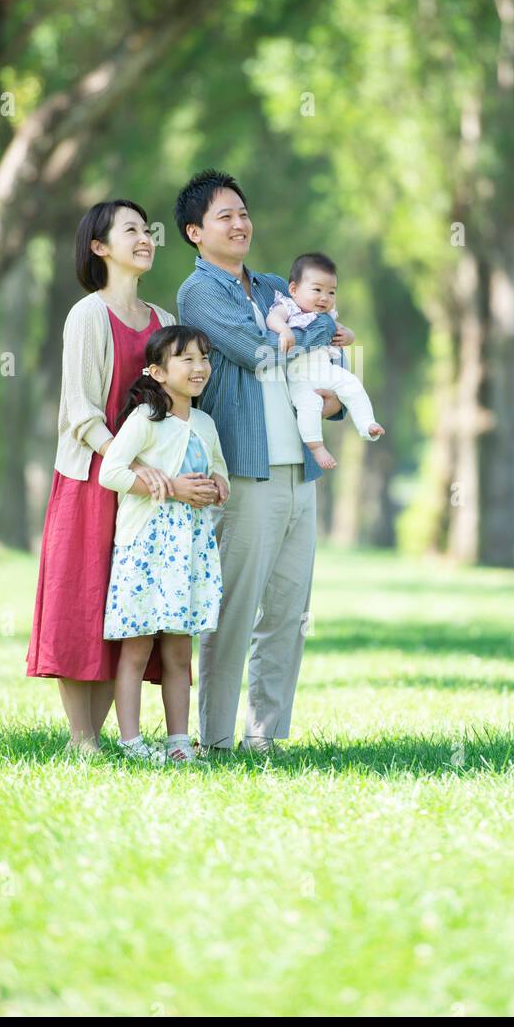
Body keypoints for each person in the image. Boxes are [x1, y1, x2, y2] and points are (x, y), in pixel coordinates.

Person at [175, 168, 351, 753]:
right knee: (232, 612)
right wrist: (324, 327)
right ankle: (218, 739)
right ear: (194, 232)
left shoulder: (276, 286)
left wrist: (333, 399)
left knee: (287, 614)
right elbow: (256, 354)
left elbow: (333, 367)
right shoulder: (198, 292)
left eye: (243, 213)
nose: (239, 223)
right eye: (224, 216)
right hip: (244, 471)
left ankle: (266, 738)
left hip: (300, 470)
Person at [26, 199, 181, 754]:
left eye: (147, 230)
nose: (145, 238)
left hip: (148, 487)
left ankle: (103, 735)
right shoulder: (87, 316)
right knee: (82, 597)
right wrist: (126, 465)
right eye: (130, 231)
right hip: (92, 478)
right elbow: (81, 411)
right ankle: (82, 738)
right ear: (100, 247)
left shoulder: (164, 321)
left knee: (128, 603)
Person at [99, 325, 229, 765]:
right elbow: (110, 472)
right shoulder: (146, 421)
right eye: (186, 359)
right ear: (156, 371)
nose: (199, 367)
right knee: (137, 648)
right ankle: (131, 742)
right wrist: (169, 486)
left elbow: (218, 469)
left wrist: (218, 485)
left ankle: (178, 741)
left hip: (189, 551)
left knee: (178, 650)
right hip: (147, 549)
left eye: (203, 358)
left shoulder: (206, 423)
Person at [266, 250, 384, 470]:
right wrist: (284, 330)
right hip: (298, 376)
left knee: (352, 383)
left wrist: (349, 336)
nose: (324, 298)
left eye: (331, 292)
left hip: (324, 371)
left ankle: (366, 424)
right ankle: (317, 448)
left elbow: (342, 331)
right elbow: (272, 318)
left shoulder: (327, 316)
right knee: (308, 404)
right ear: (293, 289)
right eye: (317, 290)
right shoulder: (288, 307)